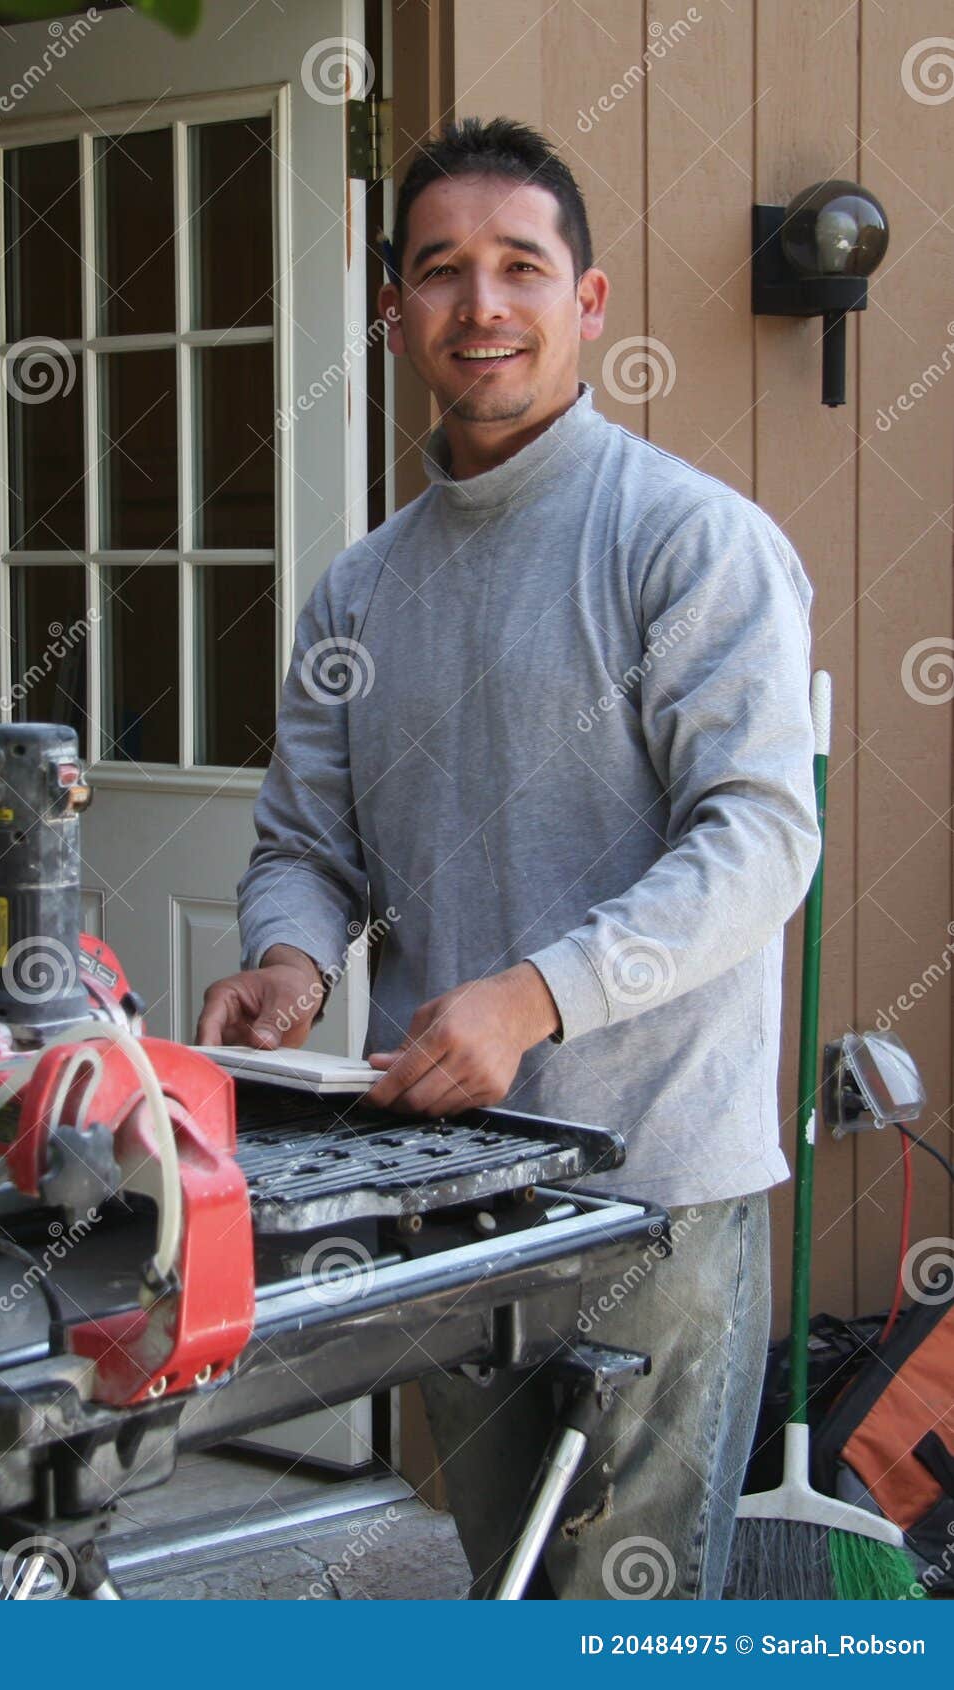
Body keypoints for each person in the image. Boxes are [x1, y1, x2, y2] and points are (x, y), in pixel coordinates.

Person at [195, 117, 817, 1599]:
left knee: (633, 1606)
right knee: (510, 1585)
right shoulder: (360, 589)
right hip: (449, 1181)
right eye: (441, 271)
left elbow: (761, 836)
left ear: (587, 301)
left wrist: (534, 996)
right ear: (396, 312)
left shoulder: (689, 544)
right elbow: (304, 843)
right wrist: (287, 956)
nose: (482, 304)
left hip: (656, 1182)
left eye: (520, 267)